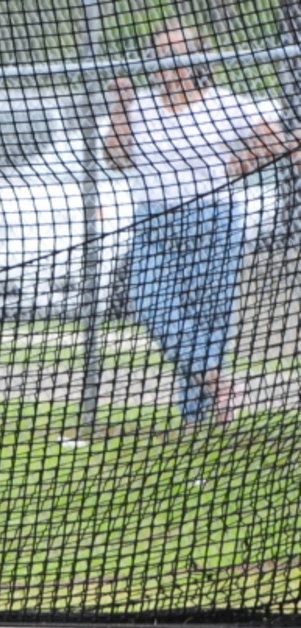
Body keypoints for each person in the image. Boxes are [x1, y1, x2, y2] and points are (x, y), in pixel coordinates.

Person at [104, 19, 295, 426]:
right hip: (152, 222)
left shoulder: (225, 103)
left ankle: (198, 419)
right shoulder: (141, 105)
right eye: (157, 53)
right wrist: (120, 104)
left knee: (209, 319)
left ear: (197, 59)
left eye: (173, 54)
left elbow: (284, 143)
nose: (163, 62)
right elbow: (116, 159)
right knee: (149, 302)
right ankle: (216, 381)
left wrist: (249, 157)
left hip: (212, 219)